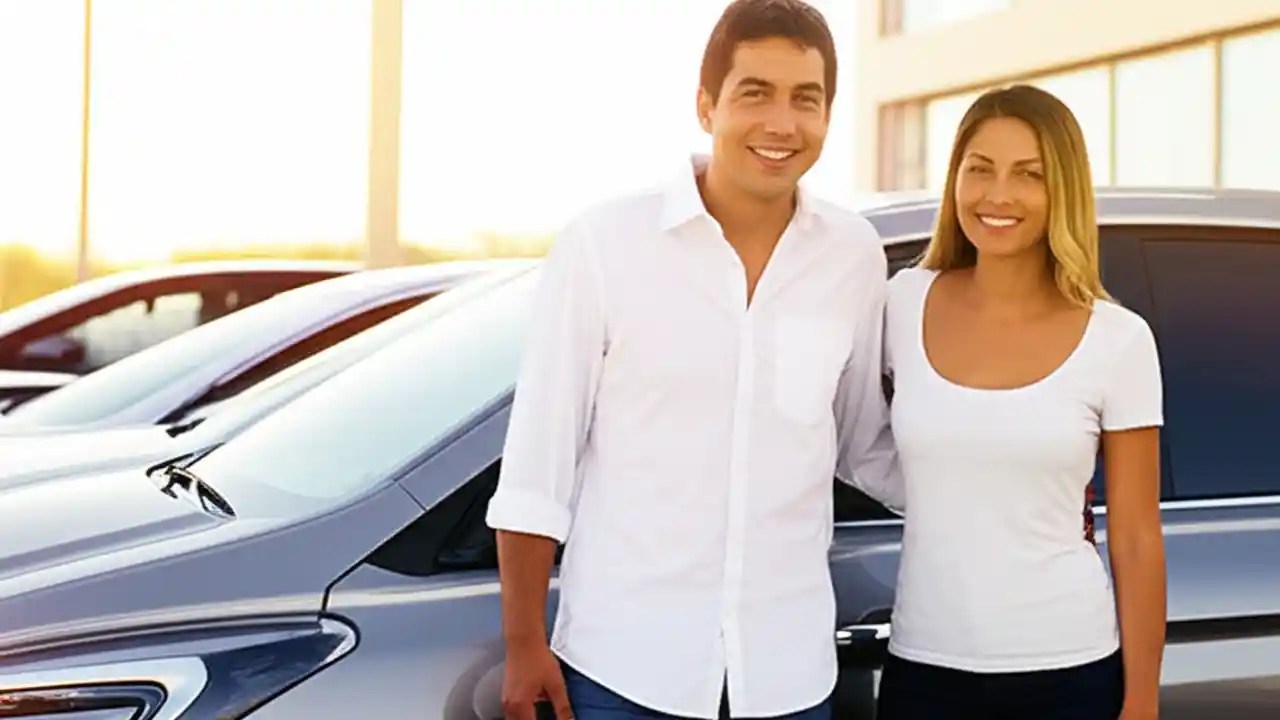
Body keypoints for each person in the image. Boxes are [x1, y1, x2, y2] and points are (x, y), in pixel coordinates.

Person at [483, 1, 903, 718]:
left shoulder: (852, 255)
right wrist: (524, 642)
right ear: (706, 104)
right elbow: (537, 466)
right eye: (755, 93)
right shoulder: (604, 245)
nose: (782, 124)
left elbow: (864, 444)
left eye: (807, 99)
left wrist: (1022, 496)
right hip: (626, 673)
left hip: (789, 679)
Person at [875, 84, 1167, 720]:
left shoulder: (1118, 339)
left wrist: (1141, 701)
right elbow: (839, 430)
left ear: (1061, 189)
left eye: (1027, 175)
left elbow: (1139, 537)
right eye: (979, 169)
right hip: (923, 673)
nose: (998, 195)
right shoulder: (901, 303)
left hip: (1069, 674)